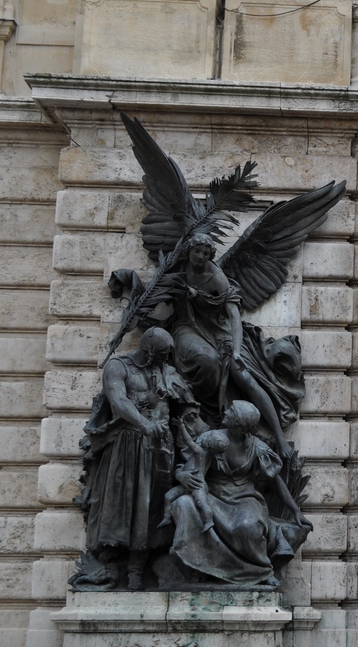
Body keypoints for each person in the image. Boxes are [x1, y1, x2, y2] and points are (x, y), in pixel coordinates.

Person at [74, 327, 191, 590]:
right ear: (148, 350)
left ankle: (138, 569)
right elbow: (118, 402)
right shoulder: (118, 366)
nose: (164, 359)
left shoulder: (166, 372)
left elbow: (185, 409)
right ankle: (118, 565)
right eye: (161, 354)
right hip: (127, 446)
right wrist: (145, 424)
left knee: (151, 509)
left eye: (167, 355)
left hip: (161, 450)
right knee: (124, 507)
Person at [169, 234, 303, 459]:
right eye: (196, 251)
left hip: (222, 331)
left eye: (205, 252)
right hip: (187, 327)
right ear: (188, 251)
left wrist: (237, 350)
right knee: (206, 359)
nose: (200, 256)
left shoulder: (216, 277)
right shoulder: (176, 268)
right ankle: (206, 415)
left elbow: (233, 317)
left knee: (245, 377)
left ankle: (279, 437)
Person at [163, 400, 311, 586]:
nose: (226, 411)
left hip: (244, 498)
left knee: (248, 526)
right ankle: (201, 566)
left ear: (240, 426)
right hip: (212, 495)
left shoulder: (257, 448)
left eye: (231, 411)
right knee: (183, 504)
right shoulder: (211, 438)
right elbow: (193, 467)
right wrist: (181, 474)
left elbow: (275, 481)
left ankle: (262, 570)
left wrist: (295, 510)